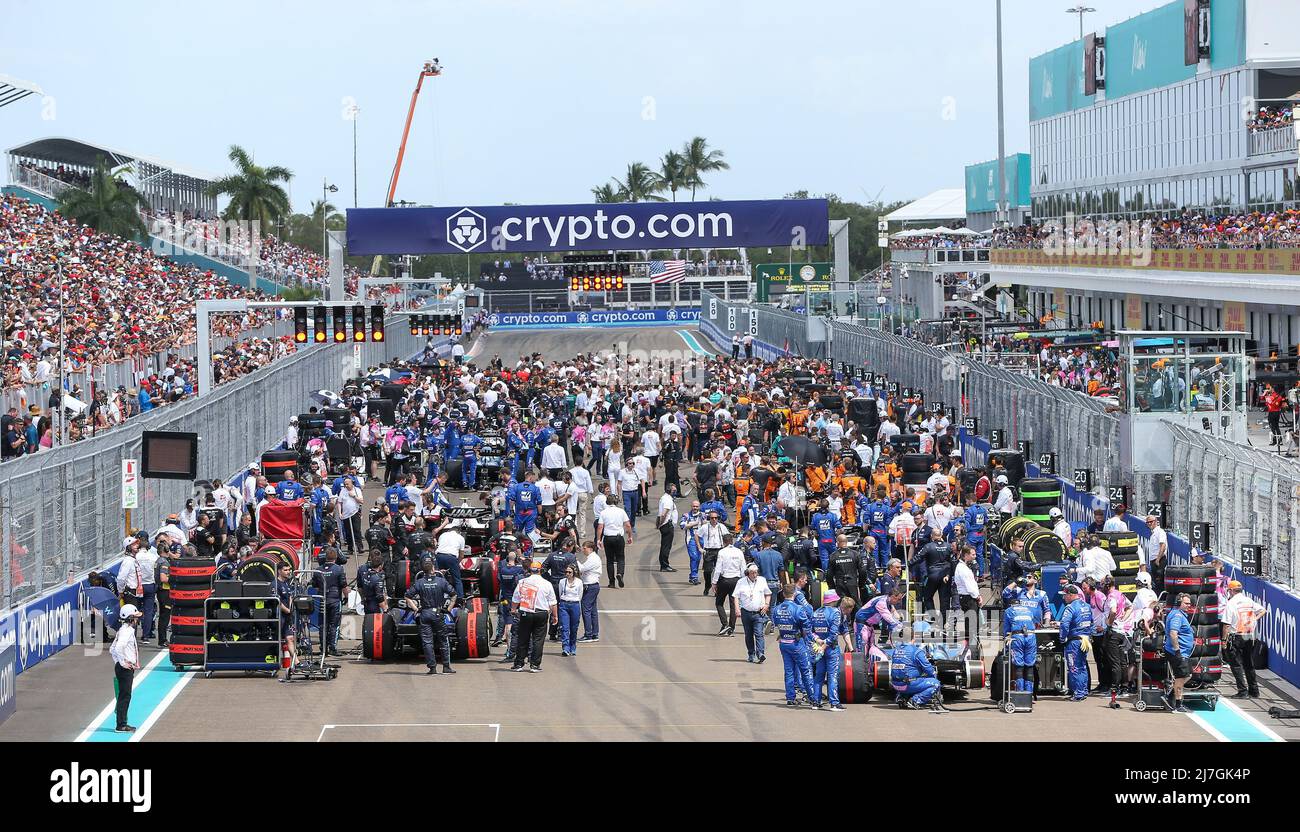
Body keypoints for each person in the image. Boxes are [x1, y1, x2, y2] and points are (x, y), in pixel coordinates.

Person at [771, 584, 816, 708]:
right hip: (797, 643)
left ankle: (790, 697)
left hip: (784, 643)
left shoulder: (777, 609)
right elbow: (807, 625)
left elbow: (775, 623)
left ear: (783, 594)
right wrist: (813, 640)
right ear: (794, 594)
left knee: (789, 671)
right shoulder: (798, 608)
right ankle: (813, 698)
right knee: (806, 670)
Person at [1221, 579, 1265, 699]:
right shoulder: (1248, 600)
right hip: (1249, 636)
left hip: (1236, 636)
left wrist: (1224, 641)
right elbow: (1263, 610)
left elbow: (1226, 625)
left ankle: (1242, 691)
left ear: (1231, 591)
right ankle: (1254, 690)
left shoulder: (1231, 603)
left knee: (1236, 665)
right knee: (1249, 663)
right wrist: (1254, 619)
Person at [511, 561, 558, 672]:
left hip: (526, 613)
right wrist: (555, 616)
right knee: (538, 639)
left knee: (523, 638)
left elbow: (515, 598)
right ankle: (535, 665)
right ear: (540, 570)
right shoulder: (547, 584)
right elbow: (553, 602)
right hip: (541, 613)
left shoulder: (522, 582)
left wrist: (513, 609)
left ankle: (519, 664)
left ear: (530, 570)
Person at [888, 628, 948, 713]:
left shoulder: (895, 651)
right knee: (935, 684)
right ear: (914, 637)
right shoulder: (917, 651)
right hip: (908, 684)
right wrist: (934, 676)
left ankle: (901, 697)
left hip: (895, 684)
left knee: (910, 676)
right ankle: (915, 700)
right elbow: (928, 668)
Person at [809, 591, 850, 712]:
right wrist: (825, 645)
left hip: (819, 647)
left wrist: (818, 641)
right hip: (831, 649)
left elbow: (810, 631)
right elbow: (833, 635)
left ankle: (816, 702)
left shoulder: (816, 612)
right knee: (833, 676)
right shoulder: (836, 613)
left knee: (819, 675)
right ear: (833, 601)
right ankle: (834, 703)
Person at [110, 604, 143, 732]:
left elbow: (113, 649)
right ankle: (121, 724)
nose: (137, 620)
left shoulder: (122, 630)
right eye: (135, 617)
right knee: (125, 696)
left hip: (122, 667)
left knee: (124, 695)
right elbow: (117, 648)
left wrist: (119, 662)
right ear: (130, 618)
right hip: (125, 669)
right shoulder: (127, 631)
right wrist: (123, 663)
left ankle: (122, 722)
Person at [1058, 584, 1094, 702]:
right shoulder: (1087, 606)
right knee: (1082, 666)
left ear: (1070, 595)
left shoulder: (1070, 607)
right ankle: (1083, 691)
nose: (1064, 598)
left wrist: (1062, 638)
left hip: (1074, 641)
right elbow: (1091, 622)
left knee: (1074, 667)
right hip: (1085, 640)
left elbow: (1064, 624)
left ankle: (1078, 693)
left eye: (1065, 595)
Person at [313, 547, 348, 657]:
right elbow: (343, 585)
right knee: (334, 625)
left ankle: (323, 648)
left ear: (326, 557)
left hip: (322, 600)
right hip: (334, 600)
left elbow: (314, 585)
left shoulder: (318, 570)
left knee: (323, 625)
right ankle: (332, 647)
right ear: (336, 557)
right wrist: (347, 597)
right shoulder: (339, 569)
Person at [1164, 593, 1195, 712]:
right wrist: (1177, 651)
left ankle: (1170, 695)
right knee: (1181, 677)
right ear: (1178, 603)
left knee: (1188, 675)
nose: (1189, 606)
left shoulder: (1181, 614)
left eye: (1190, 604)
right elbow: (1173, 633)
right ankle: (1177, 705)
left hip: (1183, 653)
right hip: (1178, 652)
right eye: (1186, 603)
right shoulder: (1177, 615)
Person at [733, 563, 771, 663]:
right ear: (747, 573)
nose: (755, 575)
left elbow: (768, 594)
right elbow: (736, 596)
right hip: (746, 612)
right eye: (752, 573)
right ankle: (751, 653)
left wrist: (766, 605)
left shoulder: (762, 580)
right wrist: (737, 609)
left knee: (759, 634)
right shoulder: (741, 582)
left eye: (756, 573)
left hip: (758, 613)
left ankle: (760, 653)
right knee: (748, 635)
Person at [1002, 596, 1040, 694]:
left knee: (1019, 665)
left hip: (1017, 637)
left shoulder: (1008, 611)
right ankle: (1029, 694)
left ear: (1011, 604)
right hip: (1031, 636)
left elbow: (1006, 630)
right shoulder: (1028, 610)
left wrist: (1006, 645)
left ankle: (1020, 693)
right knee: (1030, 665)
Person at [710, 533, 746, 636]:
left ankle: (725, 624)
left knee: (719, 603)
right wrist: (743, 581)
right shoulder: (739, 552)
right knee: (733, 604)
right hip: (736, 580)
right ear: (732, 541)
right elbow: (743, 568)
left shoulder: (722, 552)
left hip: (725, 580)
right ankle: (731, 628)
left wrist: (714, 582)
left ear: (724, 542)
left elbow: (718, 569)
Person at [597, 497, 632, 588]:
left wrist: (599, 539)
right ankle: (620, 573)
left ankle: (611, 582)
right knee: (620, 558)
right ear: (616, 502)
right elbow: (628, 525)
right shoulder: (621, 511)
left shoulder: (603, 512)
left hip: (608, 537)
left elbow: (600, 527)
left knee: (609, 560)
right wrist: (630, 536)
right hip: (618, 537)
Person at [576, 541, 602, 642]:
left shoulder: (593, 559)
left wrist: (576, 560)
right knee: (593, 611)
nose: (583, 550)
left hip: (590, 586)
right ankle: (594, 633)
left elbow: (582, 569)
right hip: (592, 586)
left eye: (584, 548)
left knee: (586, 609)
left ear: (590, 549)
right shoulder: (592, 558)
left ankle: (588, 634)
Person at [557, 565, 584, 657]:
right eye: (566, 572)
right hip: (564, 605)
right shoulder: (562, 582)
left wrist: (574, 601)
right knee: (564, 627)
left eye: (569, 572)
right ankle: (565, 647)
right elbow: (560, 593)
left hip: (575, 605)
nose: (567, 574)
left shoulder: (579, 582)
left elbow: (580, 595)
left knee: (574, 628)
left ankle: (573, 646)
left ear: (574, 573)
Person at [656, 483, 679, 572]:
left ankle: (664, 564)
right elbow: (663, 514)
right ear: (669, 490)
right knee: (666, 546)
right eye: (674, 490)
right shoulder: (668, 500)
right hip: (667, 525)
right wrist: (661, 524)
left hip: (665, 525)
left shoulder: (665, 498)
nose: (675, 492)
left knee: (664, 546)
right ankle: (665, 565)